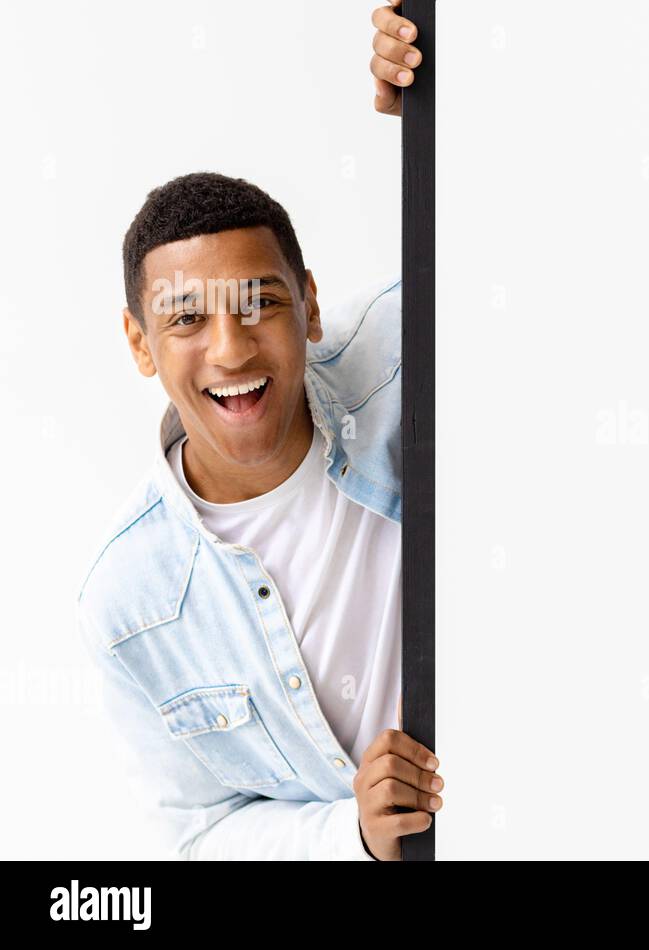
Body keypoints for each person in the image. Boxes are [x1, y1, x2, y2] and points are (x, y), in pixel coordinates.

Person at [74, 2, 437, 861]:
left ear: (308, 304)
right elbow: (200, 834)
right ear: (139, 344)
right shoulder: (128, 600)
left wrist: (438, 104)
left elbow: (529, 254)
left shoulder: (402, 344)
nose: (231, 348)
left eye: (260, 302)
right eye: (186, 317)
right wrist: (353, 833)